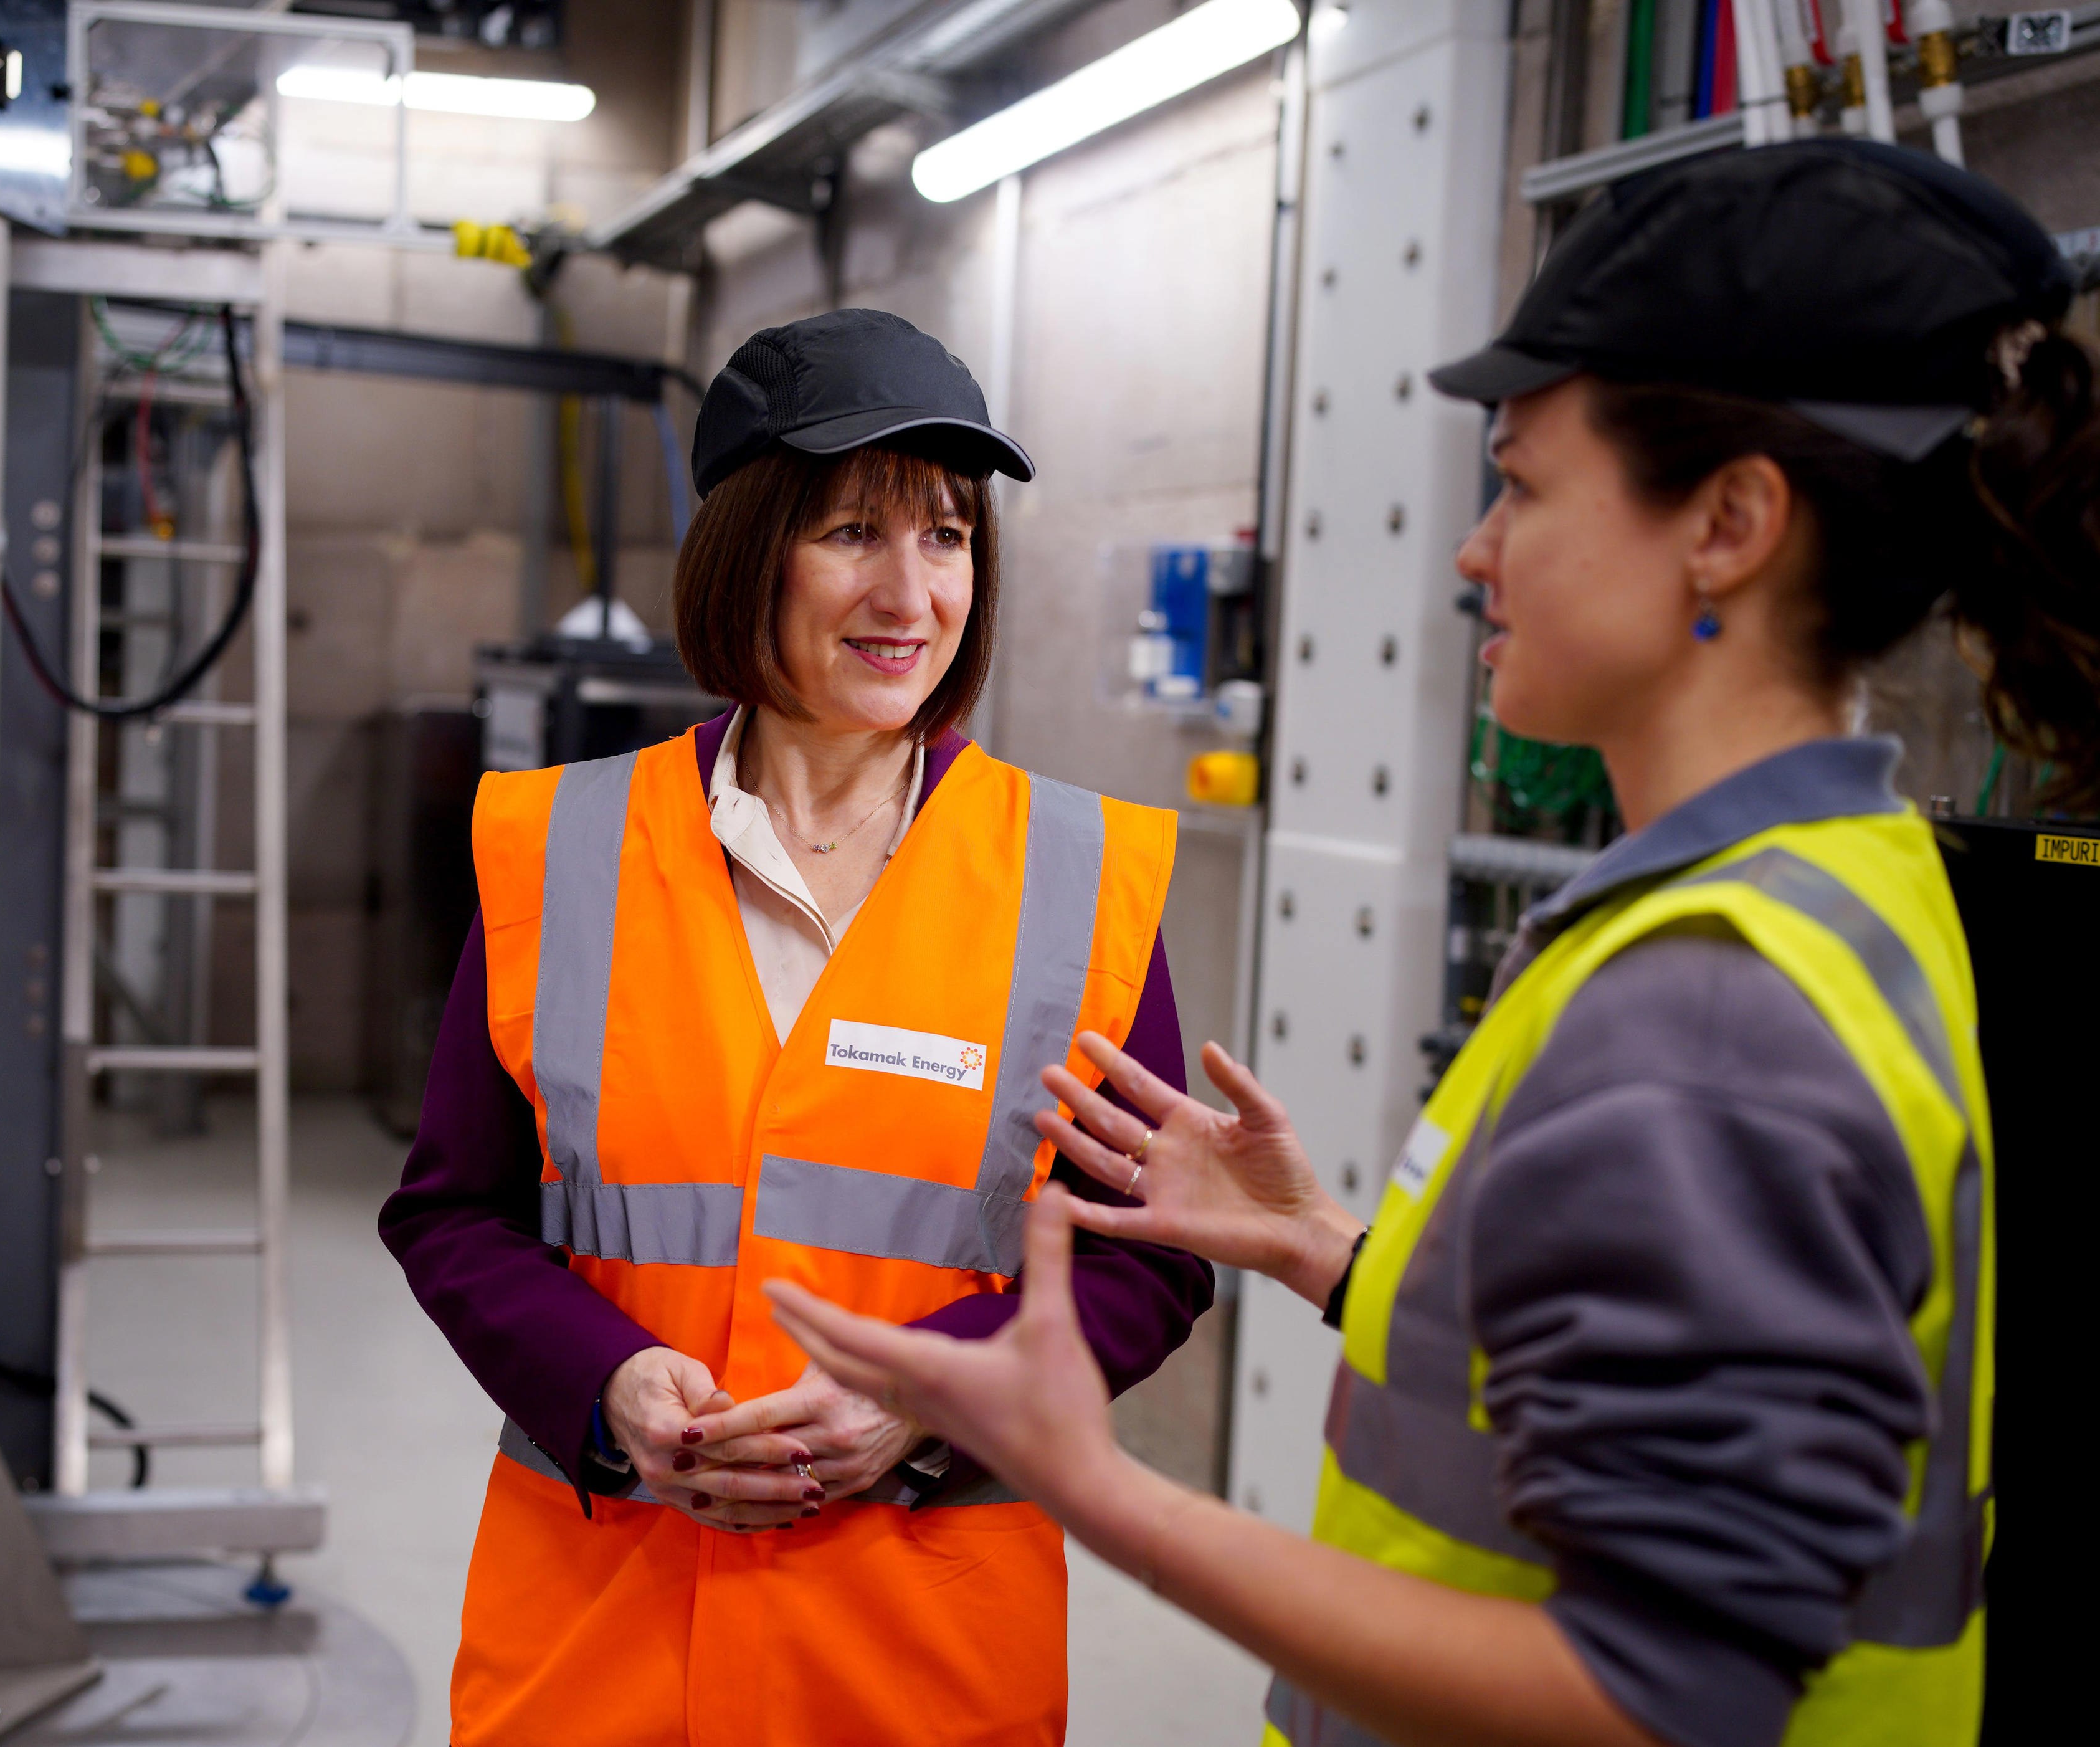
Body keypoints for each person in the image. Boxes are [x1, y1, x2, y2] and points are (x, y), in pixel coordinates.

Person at [766, 140, 2100, 1747]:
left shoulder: (1719, 1001)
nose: (1474, 551)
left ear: (1730, 524)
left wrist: (1096, 1490)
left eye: (1525, 486)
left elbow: (1657, 1691)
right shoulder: (1841, 882)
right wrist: (1320, 1244)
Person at [379, 307, 1214, 1747]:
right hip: (597, 1644)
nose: (911, 592)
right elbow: (454, 1211)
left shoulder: (1076, 880)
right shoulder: (564, 848)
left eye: (947, 536)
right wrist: (607, 1383)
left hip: (916, 1657)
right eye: (851, 533)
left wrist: (927, 1400)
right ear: (744, 554)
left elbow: (1149, 1262)